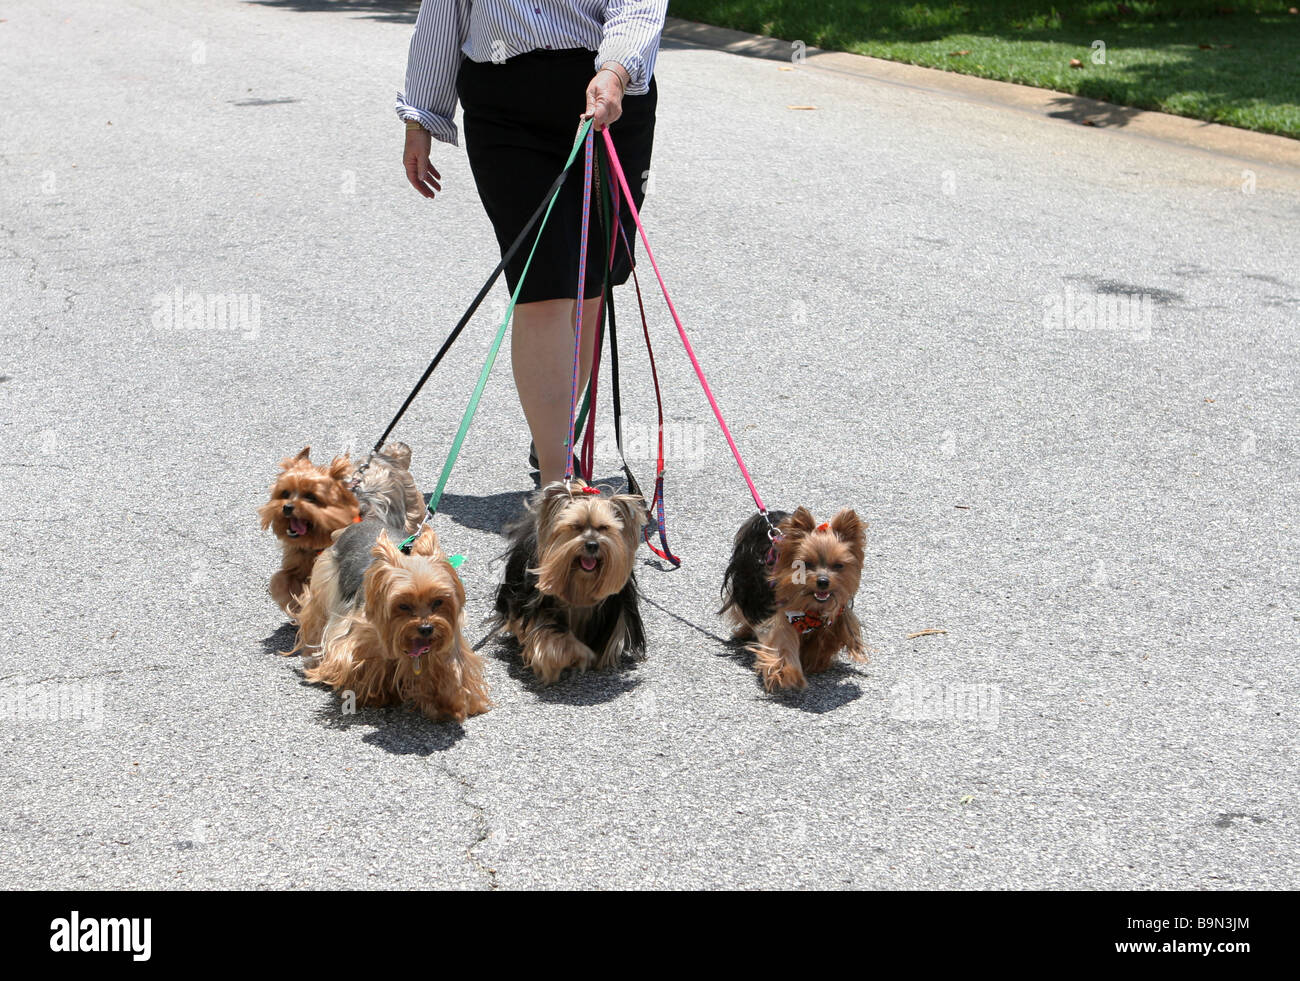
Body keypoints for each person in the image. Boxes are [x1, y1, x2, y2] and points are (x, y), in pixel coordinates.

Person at [397, 1, 669, 485]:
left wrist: (615, 69)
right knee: (543, 287)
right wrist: (421, 117)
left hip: (608, 92)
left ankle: (554, 433)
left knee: (588, 286)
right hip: (505, 104)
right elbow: (442, 13)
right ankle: (556, 480)